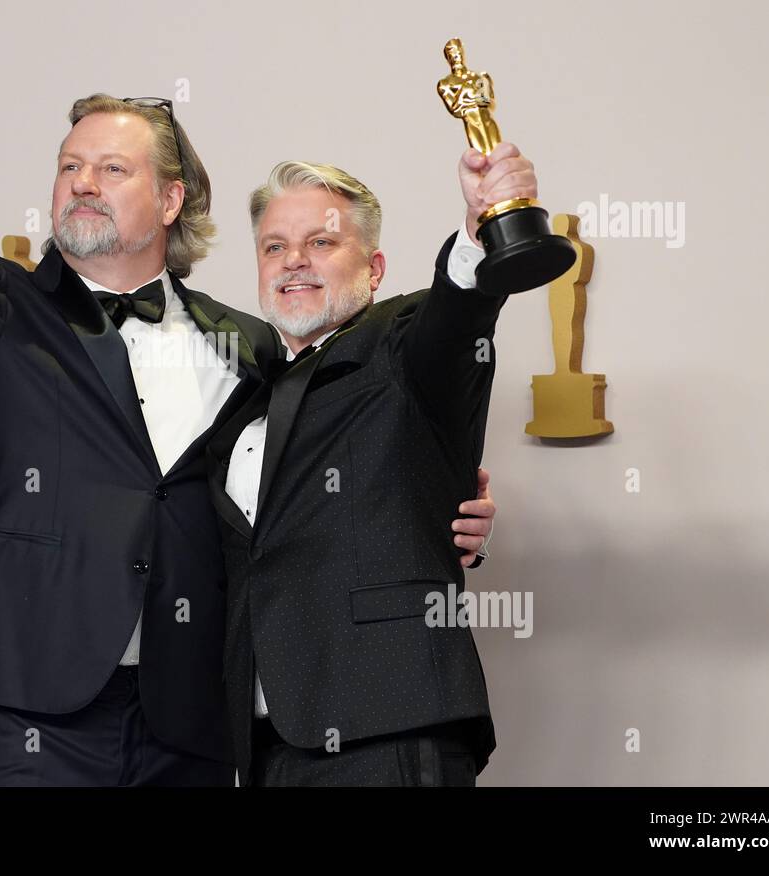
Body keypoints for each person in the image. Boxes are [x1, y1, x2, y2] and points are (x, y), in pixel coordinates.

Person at [0, 57, 496, 785]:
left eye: (112, 168)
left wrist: (445, 502)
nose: (83, 182)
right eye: (70, 167)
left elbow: (343, 455)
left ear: (172, 198)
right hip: (29, 712)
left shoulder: (254, 343)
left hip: (194, 722)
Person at [208, 147, 530, 785]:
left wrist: (477, 230)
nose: (294, 259)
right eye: (274, 247)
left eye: (321, 240)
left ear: (374, 267)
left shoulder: (402, 341)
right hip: (267, 743)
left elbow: (457, 317)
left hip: (388, 725)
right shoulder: (243, 401)